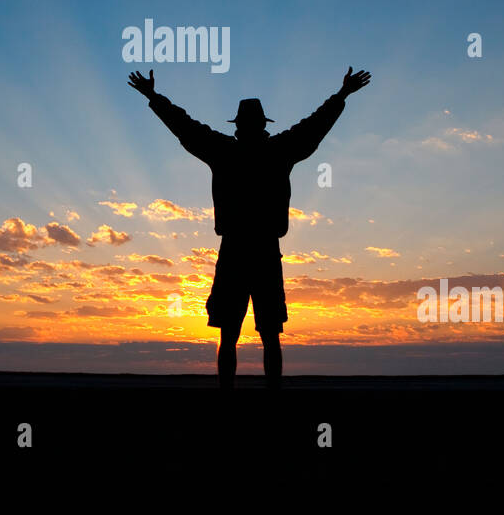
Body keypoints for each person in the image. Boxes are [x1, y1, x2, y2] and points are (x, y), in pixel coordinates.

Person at [127, 66, 371, 388]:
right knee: (268, 336)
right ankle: (269, 400)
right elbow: (314, 127)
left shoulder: (227, 151)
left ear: (239, 126)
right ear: (262, 125)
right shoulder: (276, 151)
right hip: (263, 252)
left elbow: (185, 127)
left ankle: (230, 399)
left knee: (232, 336)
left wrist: (154, 97)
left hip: (238, 251)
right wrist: (341, 95)